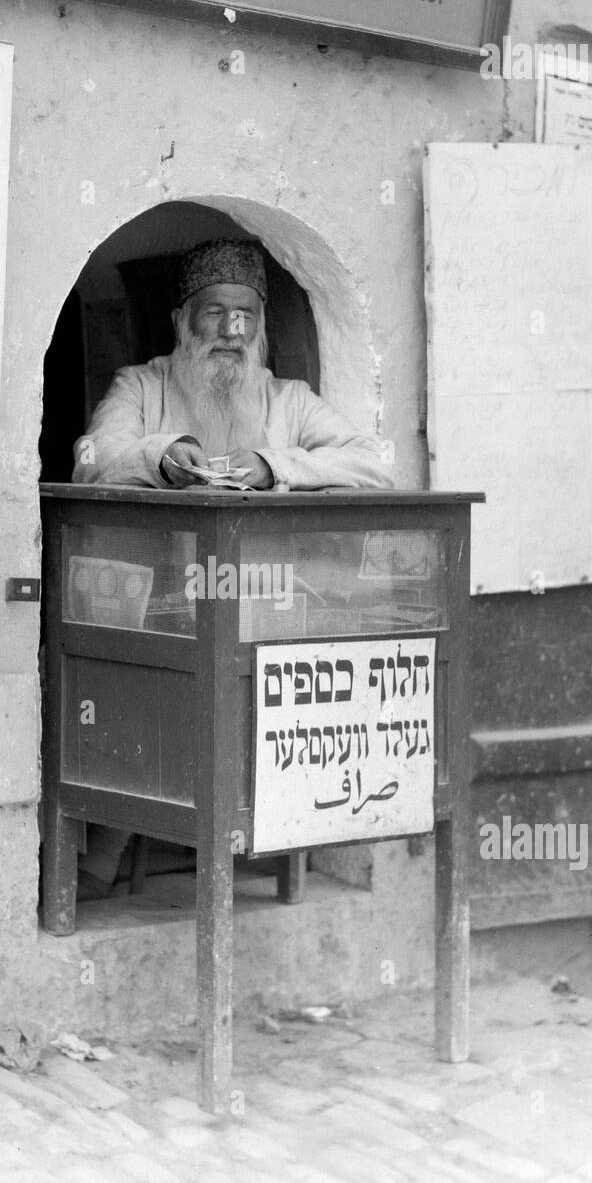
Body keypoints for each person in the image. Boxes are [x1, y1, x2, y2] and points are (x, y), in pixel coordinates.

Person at [71, 238, 394, 898]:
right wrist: (162, 456)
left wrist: (275, 466)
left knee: (257, 695)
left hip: (263, 610)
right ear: (182, 321)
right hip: (159, 602)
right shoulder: (142, 385)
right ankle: (114, 835)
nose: (230, 330)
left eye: (244, 314)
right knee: (153, 690)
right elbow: (93, 457)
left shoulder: (291, 401)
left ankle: (239, 844)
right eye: (214, 312)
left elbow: (370, 463)